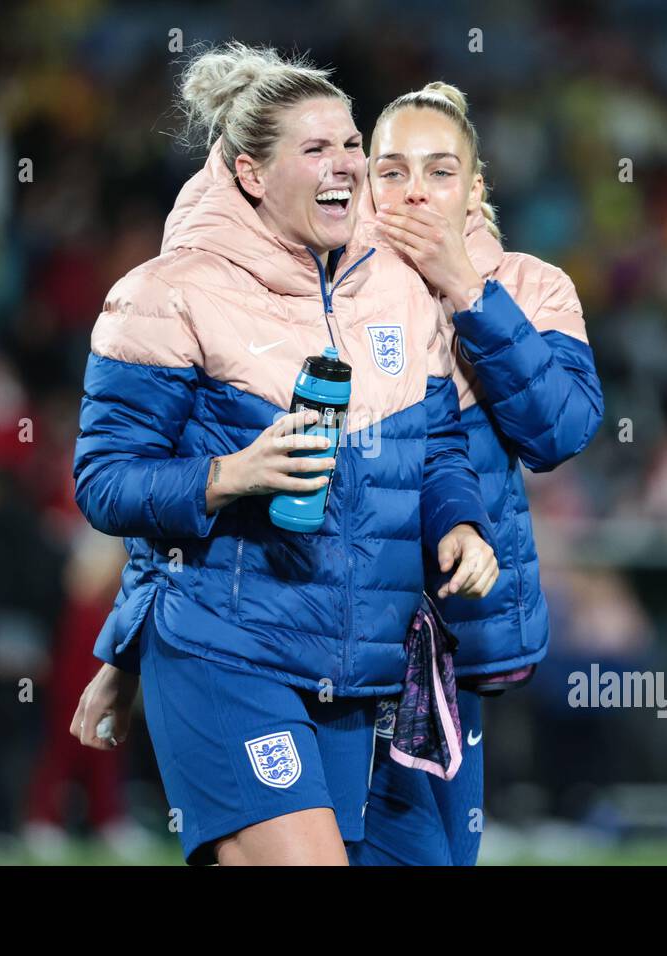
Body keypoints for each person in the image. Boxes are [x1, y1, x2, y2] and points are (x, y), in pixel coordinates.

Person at [68, 45, 497, 866]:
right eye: (315, 149)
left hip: (353, 669)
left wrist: (461, 524)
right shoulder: (168, 293)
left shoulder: (398, 288)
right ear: (252, 175)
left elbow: (437, 446)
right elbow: (106, 481)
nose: (345, 166)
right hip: (225, 651)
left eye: (349, 145)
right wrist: (231, 475)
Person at [348, 82, 604, 865]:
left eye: (440, 170)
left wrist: (468, 289)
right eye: (390, 171)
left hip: (460, 627)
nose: (415, 190)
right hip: (344, 616)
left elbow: (558, 429)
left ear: (476, 188)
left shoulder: (532, 286)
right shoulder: (328, 285)